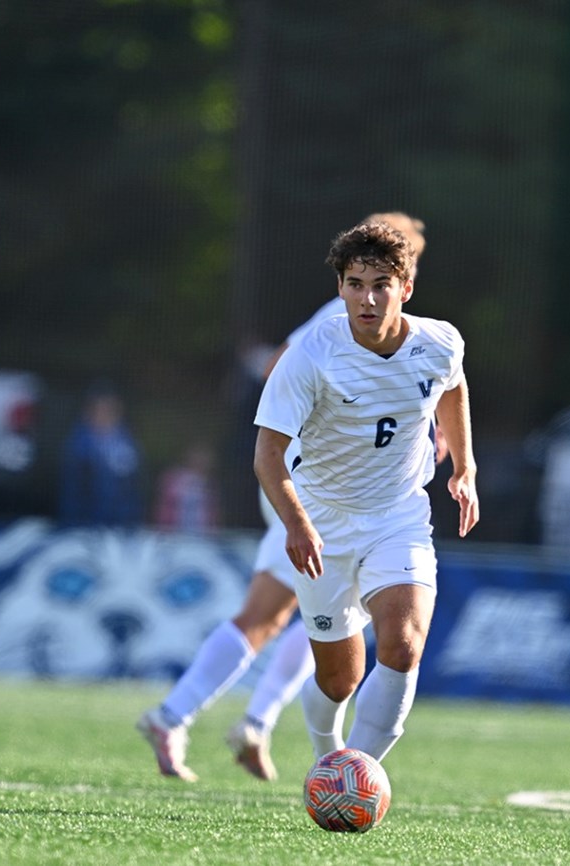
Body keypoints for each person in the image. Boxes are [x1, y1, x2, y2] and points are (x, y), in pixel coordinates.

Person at [136, 213, 432, 783]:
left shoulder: (410, 334)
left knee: (298, 616)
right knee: (281, 614)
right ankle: (198, 715)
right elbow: (281, 369)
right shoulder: (342, 319)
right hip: (311, 489)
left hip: (349, 498)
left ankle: (237, 719)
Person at [258, 220, 476, 771]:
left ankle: (353, 775)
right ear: (340, 288)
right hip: (324, 524)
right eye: (355, 283)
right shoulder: (310, 355)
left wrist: (465, 466)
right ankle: (326, 751)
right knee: (340, 678)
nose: (368, 298)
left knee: (402, 646)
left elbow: (453, 383)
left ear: (406, 288)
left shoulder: (439, 341)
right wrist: (297, 523)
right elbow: (267, 457)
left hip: (397, 515)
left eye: (382, 283)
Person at [59, 385, 142, 528]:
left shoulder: (128, 444)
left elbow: (133, 491)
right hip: (83, 525)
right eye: (99, 410)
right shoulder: (77, 445)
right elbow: (70, 493)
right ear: (88, 413)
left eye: (110, 410)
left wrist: (130, 524)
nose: (104, 416)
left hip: (119, 527)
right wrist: (72, 525)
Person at [153, 443, 219, 532]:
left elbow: (214, 515)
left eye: (205, 456)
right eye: (198, 455)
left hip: (203, 536)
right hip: (174, 535)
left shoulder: (211, 484)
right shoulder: (172, 478)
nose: (201, 459)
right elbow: (163, 507)